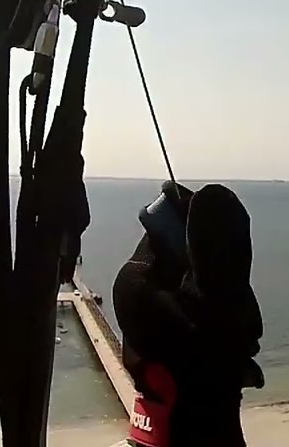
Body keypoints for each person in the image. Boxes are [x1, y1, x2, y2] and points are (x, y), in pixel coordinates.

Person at [113, 182, 264, 447]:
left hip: (162, 429)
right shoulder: (202, 324)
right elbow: (229, 341)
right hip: (195, 432)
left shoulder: (139, 289)